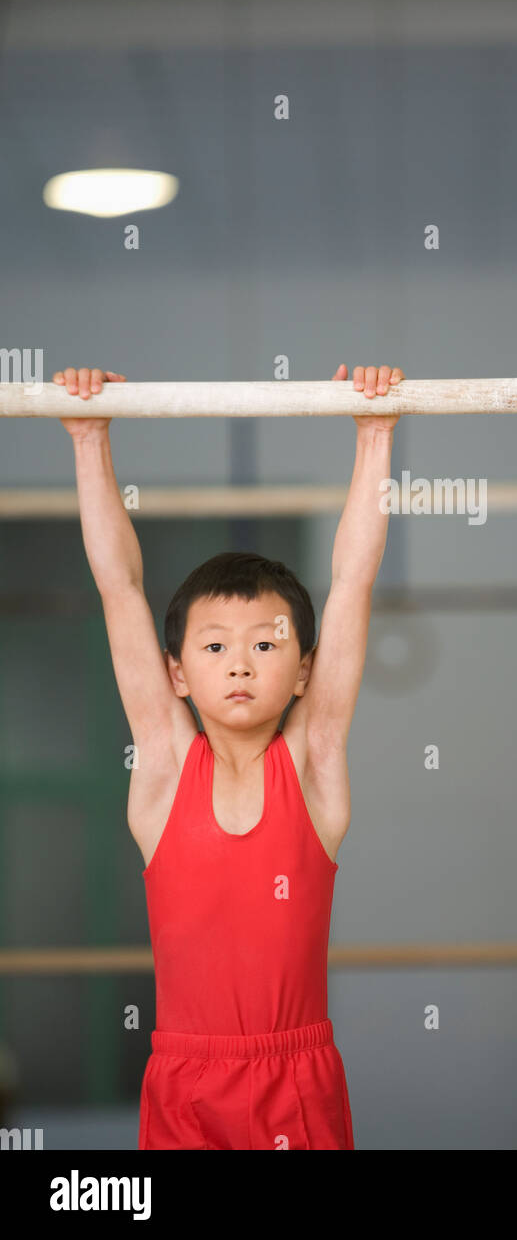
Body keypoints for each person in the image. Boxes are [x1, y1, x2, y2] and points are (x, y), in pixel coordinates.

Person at [54, 361, 404, 1149]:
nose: (240, 663)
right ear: (176, 672)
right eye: (214, 646)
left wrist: (375, 432)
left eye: (265, 643)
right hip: (185, 1086)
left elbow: (351, 584)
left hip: (297, 1082)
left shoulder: (315, 761)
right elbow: (120, 587)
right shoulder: (165, 765)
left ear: (305, 668)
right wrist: (87, 438)